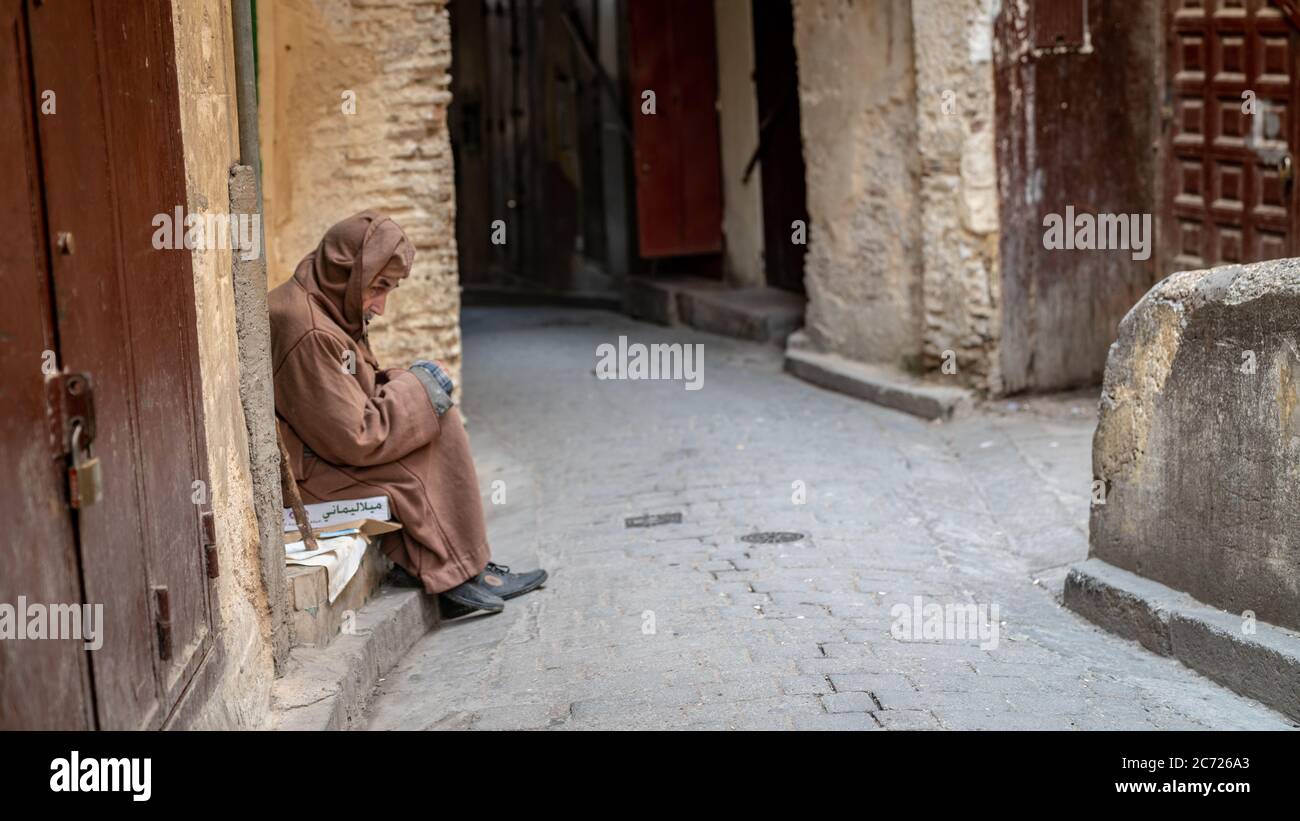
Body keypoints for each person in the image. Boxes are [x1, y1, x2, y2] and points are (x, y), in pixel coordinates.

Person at [268, 210, 545, 614]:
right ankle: (450, 572)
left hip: (323, 451)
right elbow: (356, 439)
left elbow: (354, 400)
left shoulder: (326, 303)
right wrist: (417, 388)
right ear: (346, 271)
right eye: (377, 288)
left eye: (388, 290)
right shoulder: (307, 327)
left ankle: (468, 566)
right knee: (412, 468)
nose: (380, 306)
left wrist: (417, 387)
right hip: (309, 475)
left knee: (439, 417)